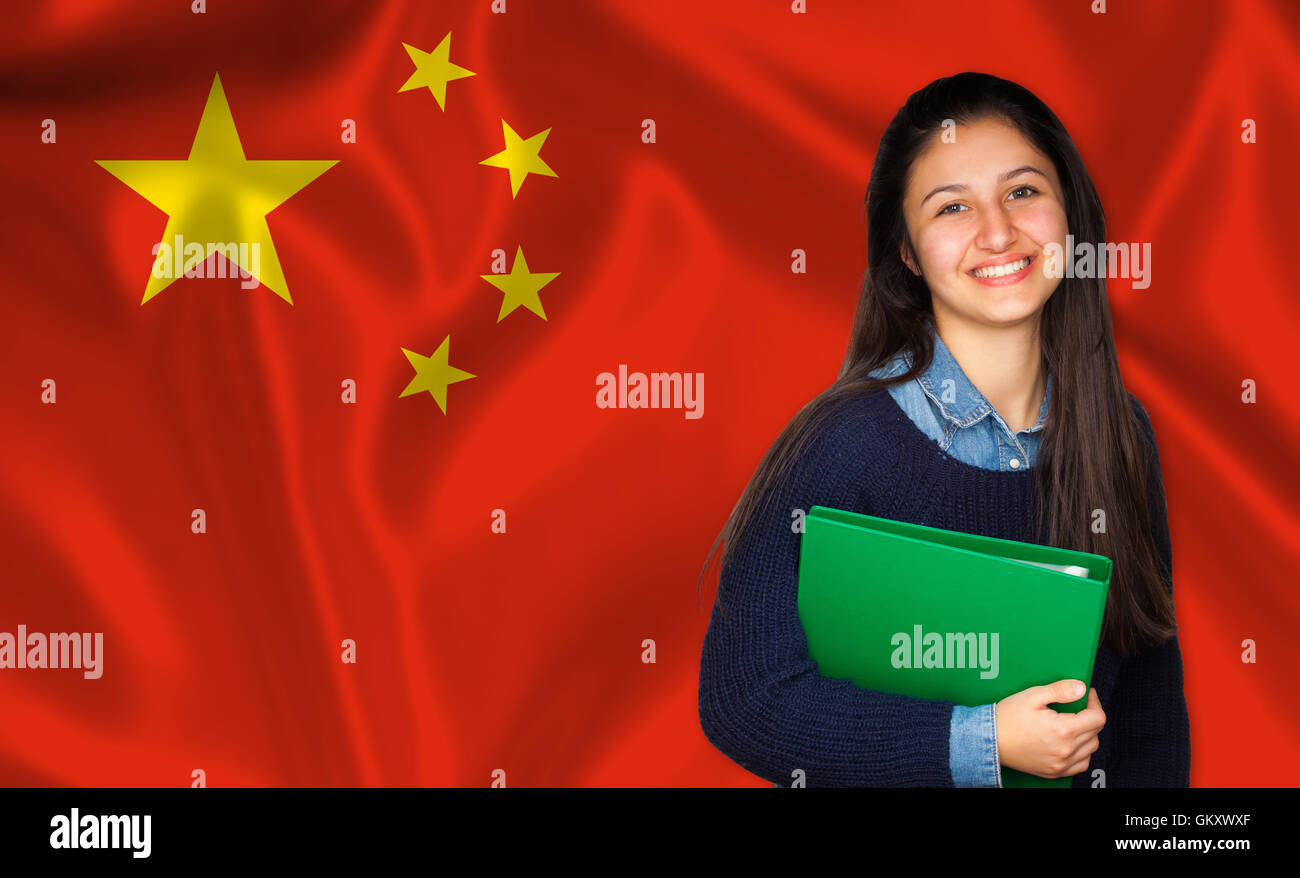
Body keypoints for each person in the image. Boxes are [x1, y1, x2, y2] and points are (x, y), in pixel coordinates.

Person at [696, 72, 1190, 788]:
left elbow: (1148, 709)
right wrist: (982, 740)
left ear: (1069, 215)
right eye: (952, 206)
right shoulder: (840, 445)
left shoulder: (1121, 434)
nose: (998, 231)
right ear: (905, 251)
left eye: (1024, 191)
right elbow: (745, 700)